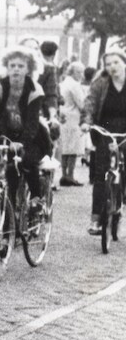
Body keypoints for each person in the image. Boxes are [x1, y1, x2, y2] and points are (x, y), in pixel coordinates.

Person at [0, 46, 52, 251]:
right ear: (7, 67)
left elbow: (31, 122)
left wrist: (22, 142)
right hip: (6, 137)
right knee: (9, 178)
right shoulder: (0, 87)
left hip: (32, 138)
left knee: (28, 161)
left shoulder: (34, 90)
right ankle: (8, 229)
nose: (16, 70)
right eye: (12, 66)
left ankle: (37, 199)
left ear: (28, 69)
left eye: (21, 66)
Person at [81, 50, 126, 235]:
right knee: (101, 174)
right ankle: (96, 220)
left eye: (116, 62)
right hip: (105, 132)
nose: (112, 67)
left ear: (124, 62)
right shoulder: (100, 82)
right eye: (108, 64)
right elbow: (90, 102)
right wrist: (86, 121)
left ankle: (120, 208)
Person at [58, 61, 87, 185]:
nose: (80, 75)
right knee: (73, 148)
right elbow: (81, 103)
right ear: (72, 72)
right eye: (78, 72)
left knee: (65, 148)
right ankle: (70, 175)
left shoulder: (64, 82)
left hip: (63, 116)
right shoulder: (75, 85)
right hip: (74, 118)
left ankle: (64, 175)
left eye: (82, 72)